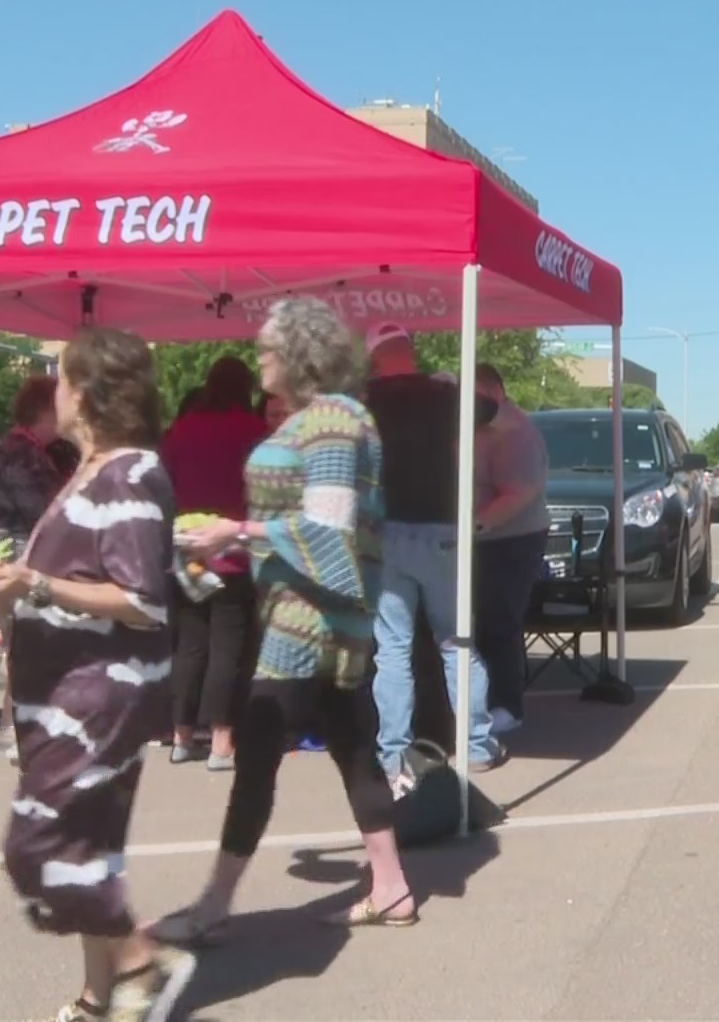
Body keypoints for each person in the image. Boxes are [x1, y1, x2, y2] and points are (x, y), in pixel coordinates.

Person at [157, 297, 417, 945]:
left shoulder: (331, 420)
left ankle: (215, 902)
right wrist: (228, 543)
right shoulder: (324, 418)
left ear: (301, 354)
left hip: (309, 622)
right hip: (324, 617)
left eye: (269, 348)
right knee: (355, 749)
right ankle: (392, 889)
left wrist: (235, 530)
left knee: (259, 754)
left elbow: (328, 527)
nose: (259, 358)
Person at [0, 328, 195, 1022]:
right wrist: (5, 590)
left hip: (99, 696)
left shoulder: (130, 473)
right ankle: (100, 998)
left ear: (90, 391)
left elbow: (140, 599)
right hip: (64, 692)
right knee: (88, 848)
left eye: (61, 376)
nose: (54, 388)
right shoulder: (89, 467)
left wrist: (38, 586)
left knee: (37, 844)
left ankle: (141, 959)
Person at [361, 323, 505, 787]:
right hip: (442, 529)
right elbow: (490, 408)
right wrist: (454, 385)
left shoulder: (363, 400)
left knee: (392, 650)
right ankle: (477, 746)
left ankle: (392, 755)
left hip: (386, 530)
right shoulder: (442, 394)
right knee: (456, 642)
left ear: (374, 358)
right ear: (412, 351)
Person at [160, 356, 268, 771]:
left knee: (189, 646)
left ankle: (181, 736)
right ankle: (222, 741)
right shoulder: (254, 432)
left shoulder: (181, 431)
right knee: (229, 647)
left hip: (186, 551)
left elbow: (164, 486)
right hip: (233, 550)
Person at [0, 376, 67, 765]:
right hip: (14, 559)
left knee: (26, 648)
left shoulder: (39, 451)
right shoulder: (18, 455)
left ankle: (15, 729)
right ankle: (17, 732)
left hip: (17, 558)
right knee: (27, 648)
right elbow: (38, 511)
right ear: (47, 412)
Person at [472, 362, 550, 735]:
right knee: (476, 624)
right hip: (478, 539)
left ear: (495, 393)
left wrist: (476, 523)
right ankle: (480, 701)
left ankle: (507, 706)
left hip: (510, 540)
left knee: (499, 622)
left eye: (475, 395)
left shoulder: (516, 431)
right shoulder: (477, 428)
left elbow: (519, 492)